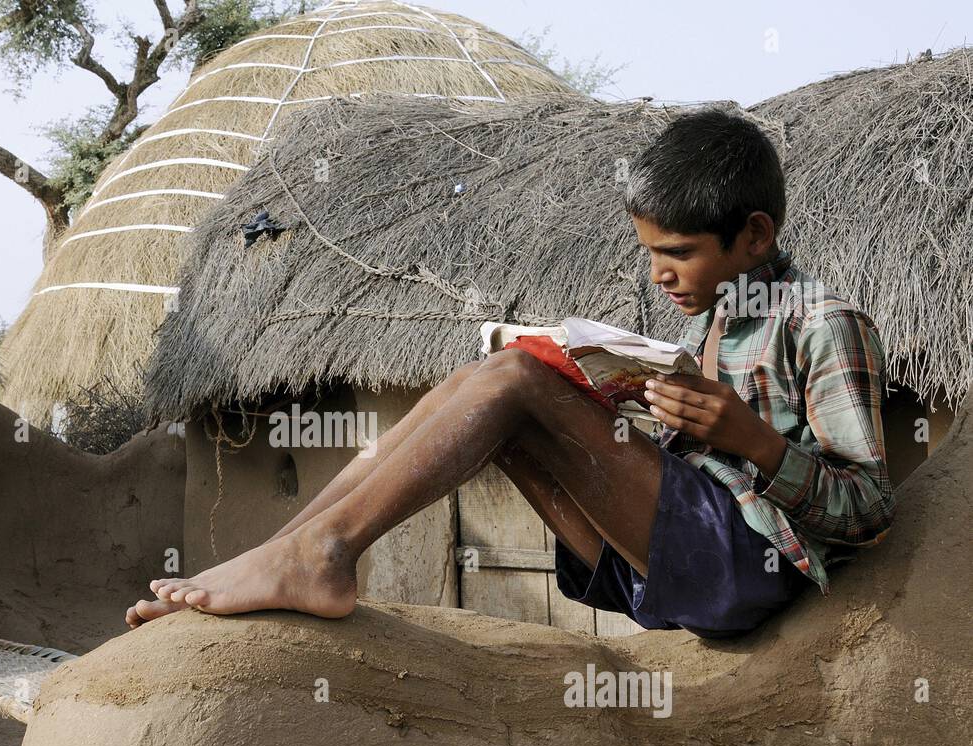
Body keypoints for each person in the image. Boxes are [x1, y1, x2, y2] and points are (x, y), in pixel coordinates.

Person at [126, 108, 895, 639]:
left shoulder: (822, 324)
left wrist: (753, 439)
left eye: (679, 253)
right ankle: (285, 549)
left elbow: (868, 508)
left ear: (755, 235)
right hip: (662, 567)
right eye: (651, 253)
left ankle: (323, 555)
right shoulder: (711, 318)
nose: (659, 274)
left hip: (743, 573)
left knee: (517, 380)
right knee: (488, 377)